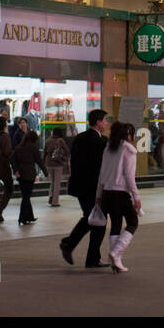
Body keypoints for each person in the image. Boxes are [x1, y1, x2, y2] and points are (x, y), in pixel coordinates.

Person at [60, 109, 110, 268]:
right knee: (97, 220)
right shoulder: (100, 141)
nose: (106, 123)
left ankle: (82, 252)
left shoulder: (80, 137)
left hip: (79, 185)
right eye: (105, 120)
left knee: (92, 219)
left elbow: (74, 162)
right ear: (98, 122)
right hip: (92, 187)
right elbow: (100, 166)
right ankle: (72, 246)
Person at [96, 121, 141, 273]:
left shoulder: (108, 148)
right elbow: (129, 176)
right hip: (120, 193)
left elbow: (101, 173)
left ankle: (116, 261)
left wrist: (98, 195)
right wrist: (136, 196)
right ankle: (116, 252)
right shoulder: (128, 150)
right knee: (133, 222)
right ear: (129, 136)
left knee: (116, 224)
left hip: (107, 193)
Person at [13, 129, 43, 226]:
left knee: (25, 195)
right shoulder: (34, 148)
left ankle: (29, 216)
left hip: (20, 175)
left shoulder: (18, 147)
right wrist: (46, 172)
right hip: (29, 174)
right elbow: (39, 161)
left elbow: (13, 161)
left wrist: (16, 171)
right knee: (26, 197)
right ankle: (21, 217)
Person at [44, 128, 70, 206]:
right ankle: (55, 202)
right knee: (57, 183)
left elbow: (45, 153)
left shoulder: (48, 140)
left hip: (49, 163)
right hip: (58, 164)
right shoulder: (61, 140)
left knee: (52, 182)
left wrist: (44, 163)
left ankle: (51, 196)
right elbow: (67, 151)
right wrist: (64, 158)